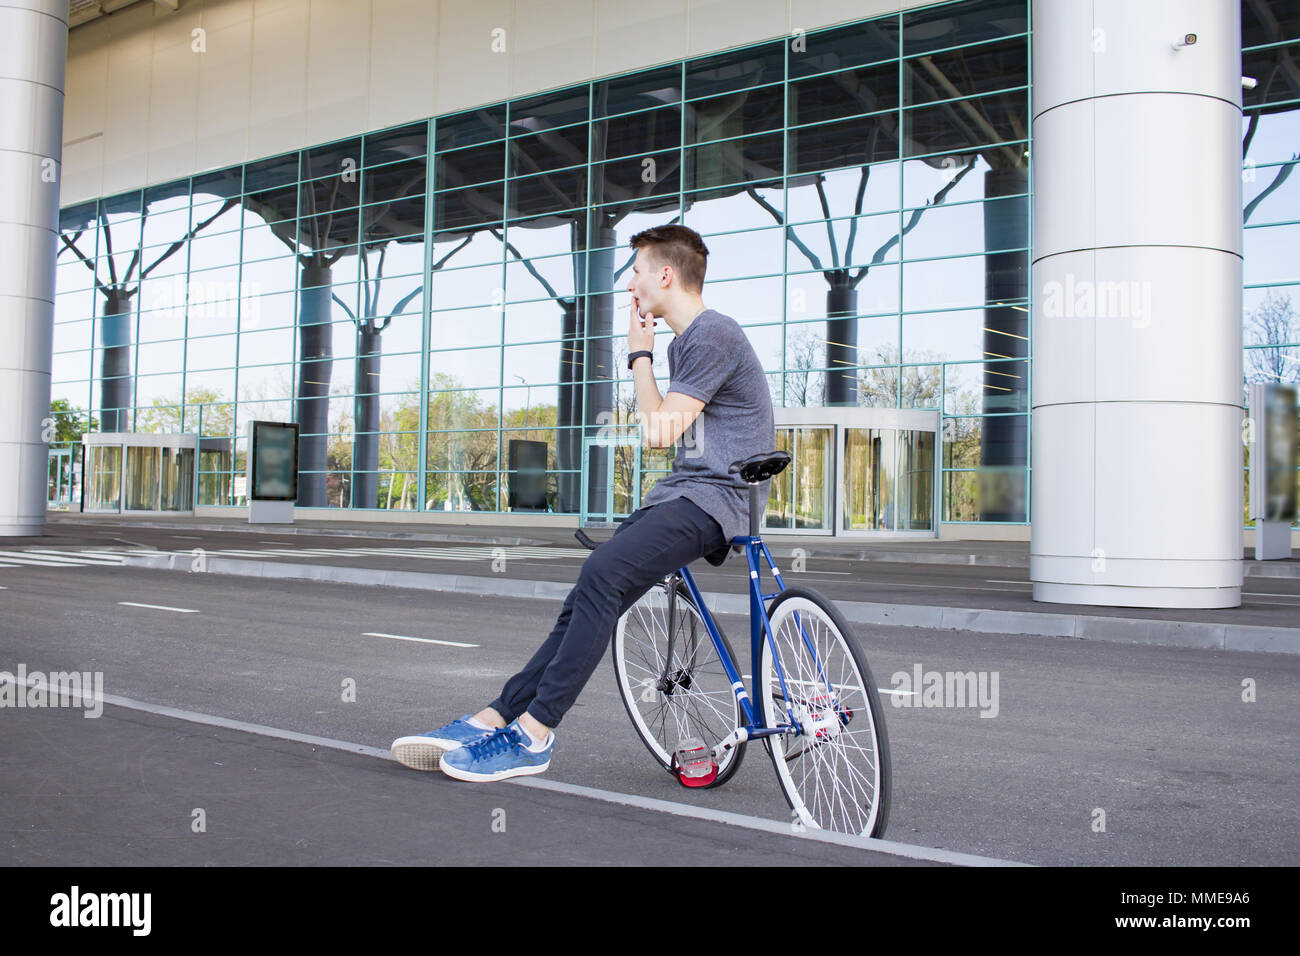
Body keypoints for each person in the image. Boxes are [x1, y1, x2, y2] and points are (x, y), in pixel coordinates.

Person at [390, 224, 775, 782]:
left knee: (601, 573)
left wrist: (638, 354)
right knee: (587, 598)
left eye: (637, 270)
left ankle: (536, 735)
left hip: (717, 500)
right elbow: (660, 423)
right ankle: (495, 716)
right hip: (687, 494)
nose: (631, 284)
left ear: (666, 274)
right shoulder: (687, 341)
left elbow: (660, 431)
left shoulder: (714, 333)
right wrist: (644, 354)